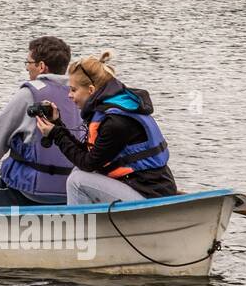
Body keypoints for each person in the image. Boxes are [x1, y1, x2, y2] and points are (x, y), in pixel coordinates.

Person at [34, 51, 177, 203]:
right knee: (78, 172)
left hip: (151, 196)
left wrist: (56, 134)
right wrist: (57, 125)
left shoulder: (115, 123)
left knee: (77, 181)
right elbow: (87, 158)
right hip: (139, 187)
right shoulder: (108, 112)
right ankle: (91, 220)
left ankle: (80, 226)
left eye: (74, 90)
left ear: (91, 90)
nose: (69, 95)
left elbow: (88, 163)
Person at [0, 36, 80, 206]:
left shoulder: (29, 94)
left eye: (28, 63)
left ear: (41, 66)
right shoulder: (80, 94)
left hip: (32, 192)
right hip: (71, 190)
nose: (27, 68)